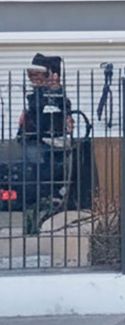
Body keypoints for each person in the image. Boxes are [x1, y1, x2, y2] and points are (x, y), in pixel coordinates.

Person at [16, 54, 73, 230]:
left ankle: (45, 209)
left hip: (49, 147)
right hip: (33, 144)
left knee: (46, 179)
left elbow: (58, 121)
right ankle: (33, 215)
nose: (35, 79)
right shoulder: (35, 96)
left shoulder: (56, 97)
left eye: (39, 74)